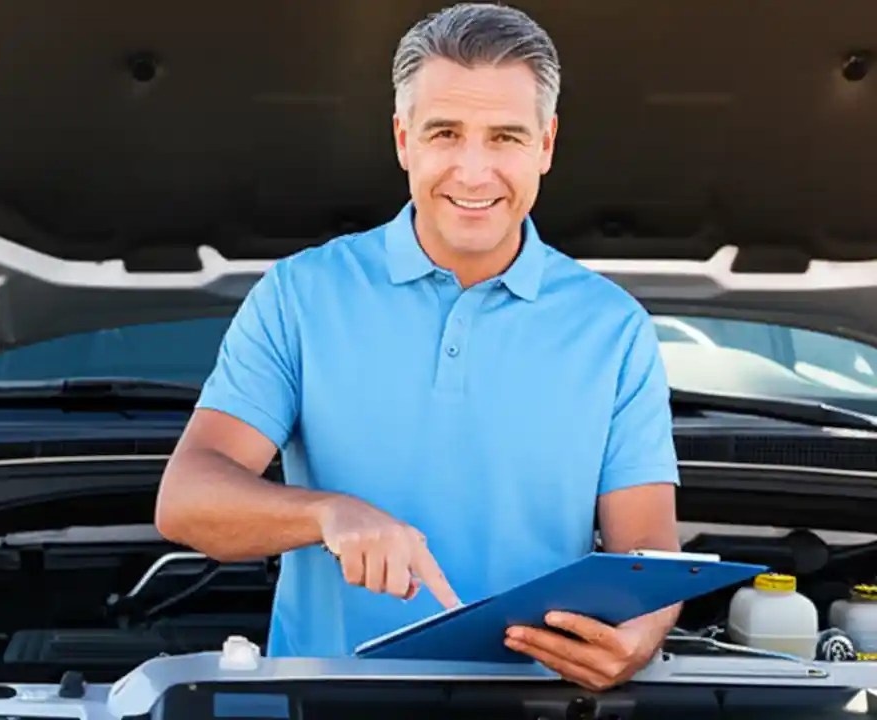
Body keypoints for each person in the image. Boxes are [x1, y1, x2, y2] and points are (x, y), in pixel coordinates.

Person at [155, 2, 681, 692]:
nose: (472, 171)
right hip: (327, 702)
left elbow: (650, 552)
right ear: (403, 139)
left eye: (505, 138)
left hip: (539, 704)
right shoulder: (300, 295)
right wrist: (326, 514)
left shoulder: (613, 328)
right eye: (445, 133)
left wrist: (642, 635)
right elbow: (188, 499)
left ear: (546, 145)